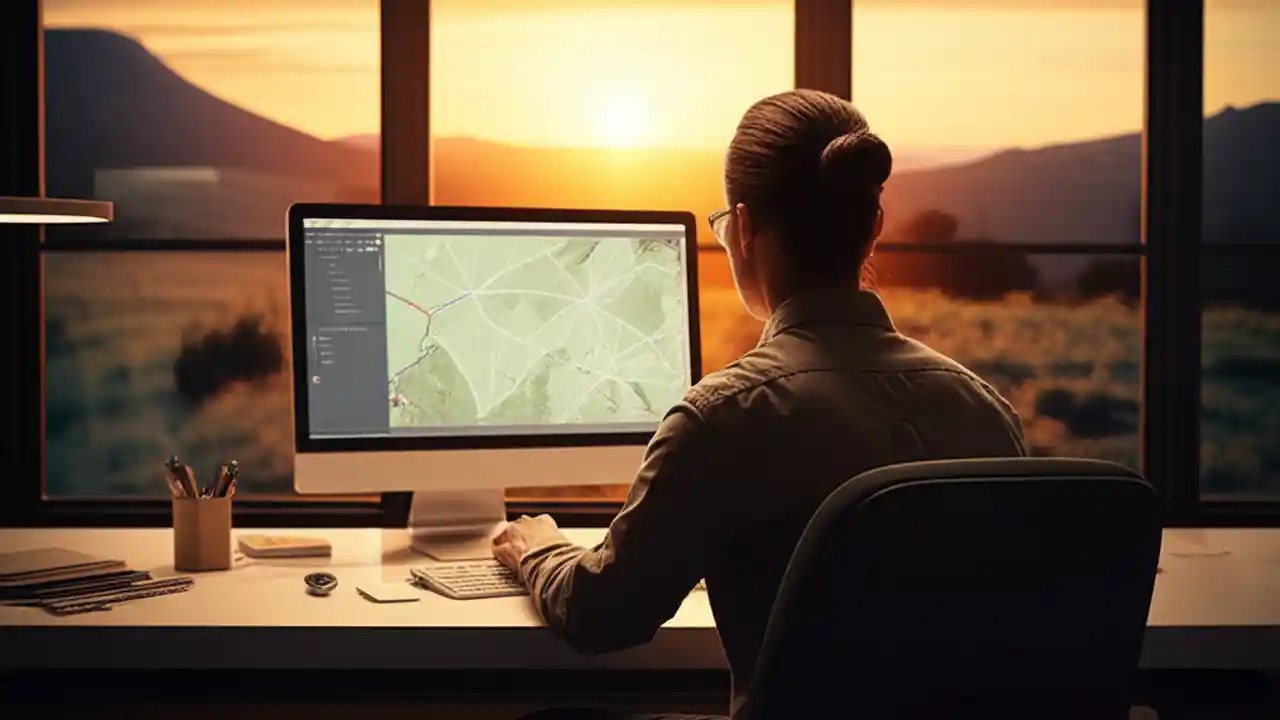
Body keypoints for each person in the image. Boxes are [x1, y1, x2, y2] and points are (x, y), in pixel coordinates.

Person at [495, 89, 1029, 720]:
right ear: (874, 227)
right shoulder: (986, 412)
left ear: (744, 230)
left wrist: (538, 550)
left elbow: (602, 616)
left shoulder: (725, 417)